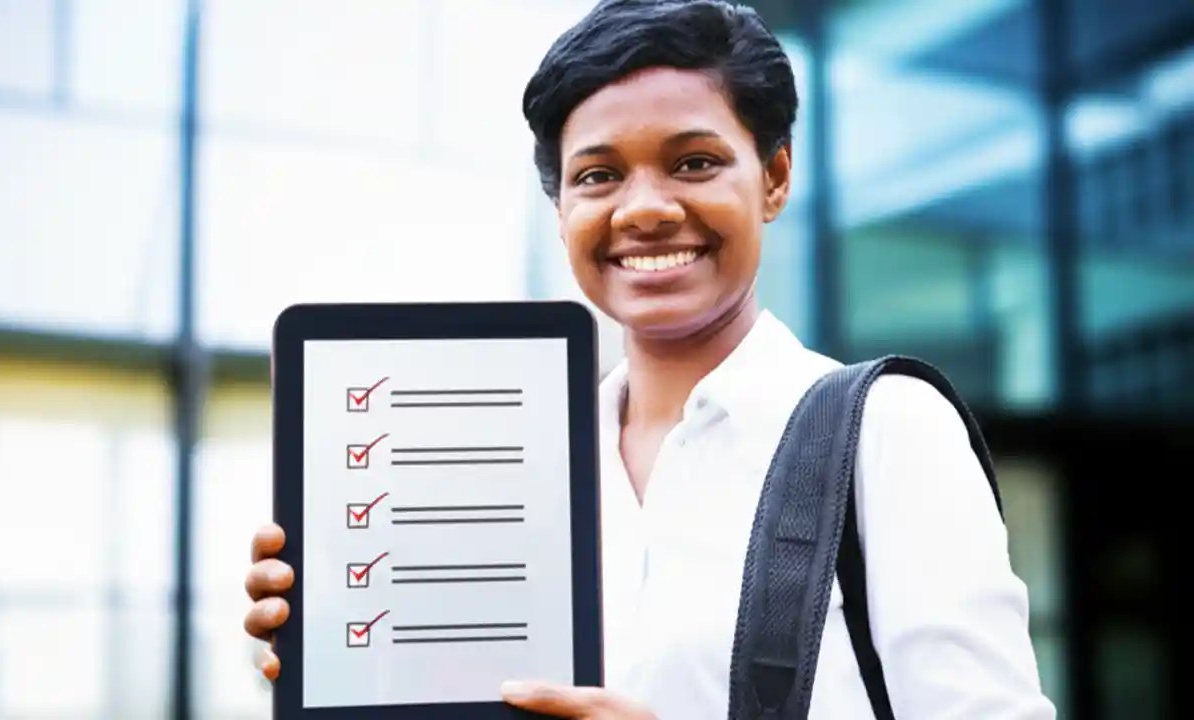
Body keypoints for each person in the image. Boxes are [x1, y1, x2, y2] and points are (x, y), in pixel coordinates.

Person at [244, 0, 1057, 717]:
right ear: (561, 210)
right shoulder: (516, 473)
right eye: (597, 176)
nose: (646, 209)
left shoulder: (887, 429)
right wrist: (334, 647)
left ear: (773, 178)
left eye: (694, 163)